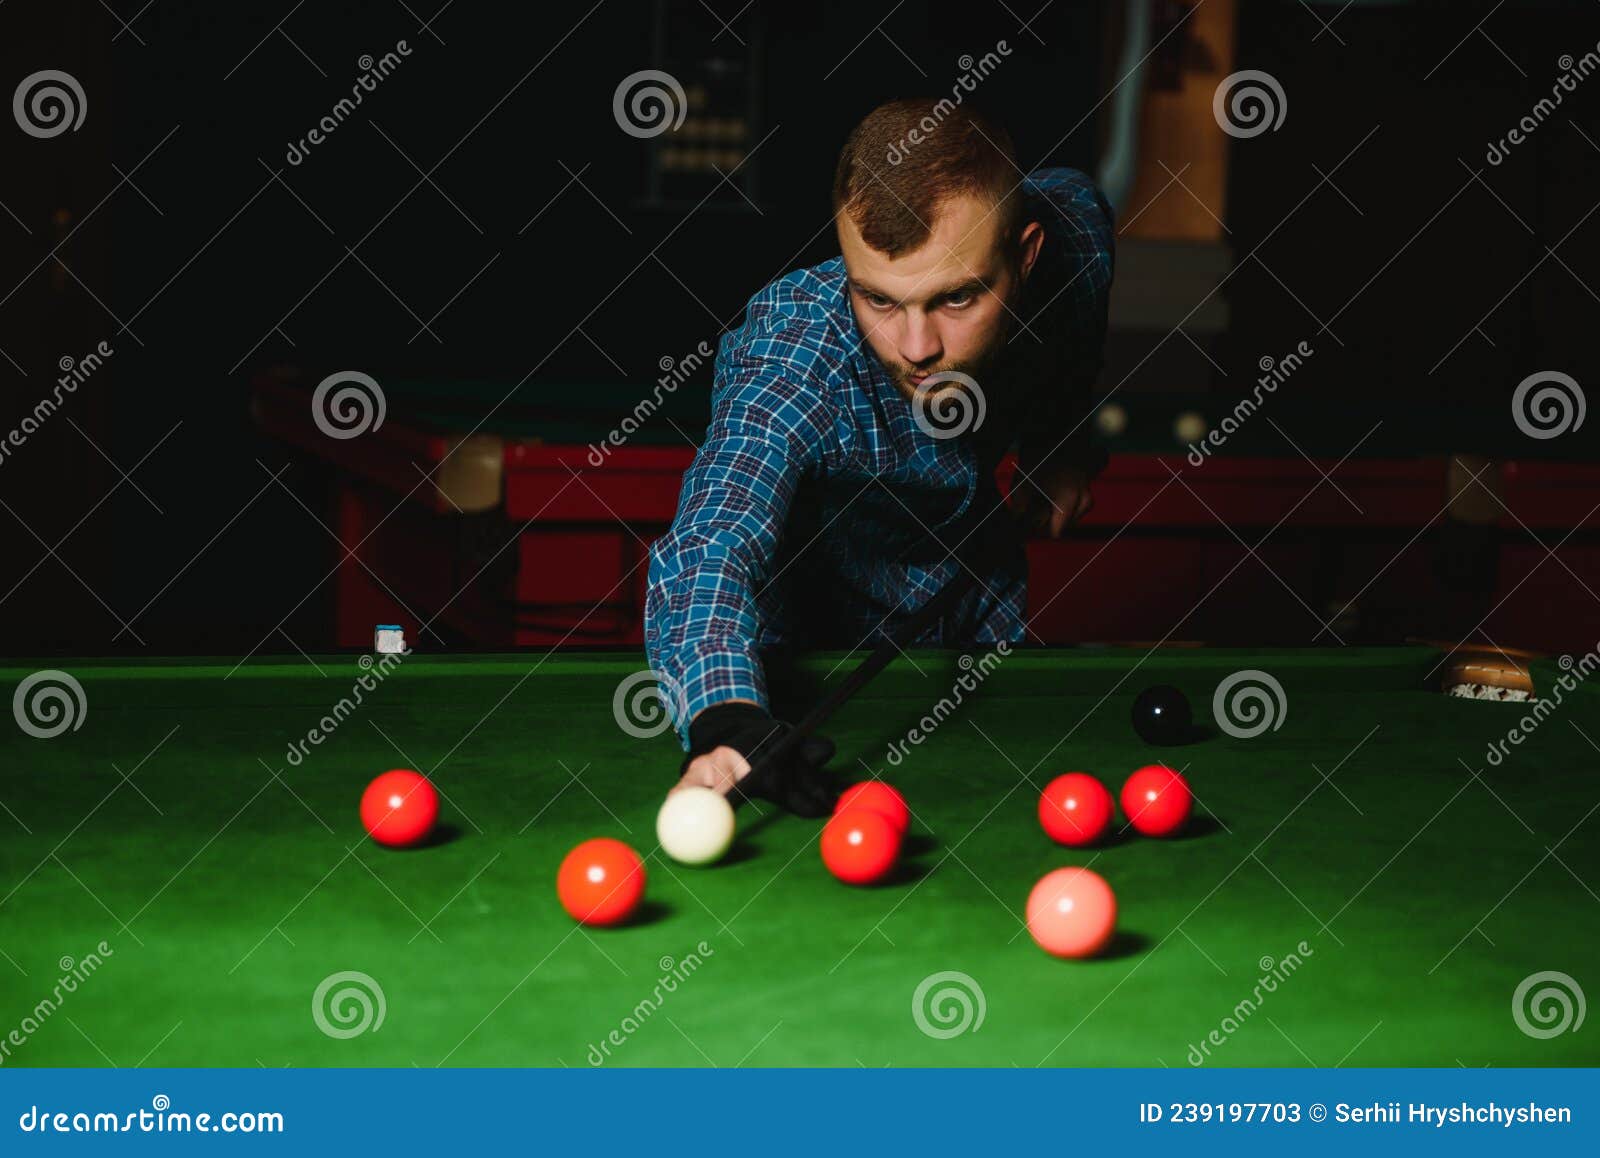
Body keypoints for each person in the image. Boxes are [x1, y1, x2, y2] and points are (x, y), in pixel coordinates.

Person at [644, 98, 1114, 815]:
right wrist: (725, 715)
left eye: (956, 298)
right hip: (794, 653)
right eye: (879, 300)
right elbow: (714, 537)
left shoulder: (1071, 240)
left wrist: (1060, 444)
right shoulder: (797, 356)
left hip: (971, 609)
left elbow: (1080, 229)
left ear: (1025, 256)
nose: (918, 347)